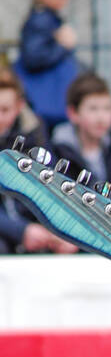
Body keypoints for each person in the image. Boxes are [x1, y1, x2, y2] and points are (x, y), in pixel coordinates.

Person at [0, 69, 77, 255]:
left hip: (35, 229)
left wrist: (61, 230)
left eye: (5, 110)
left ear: (19, 106)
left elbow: (50, 187)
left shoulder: (36, 136)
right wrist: (20, 231)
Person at [50, 71, 111, 204]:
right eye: (93, 109)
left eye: (107, 108)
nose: (101, 118)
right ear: (73, 113)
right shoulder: (57, 152)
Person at [14, 0, 80, 136]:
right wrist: (64, 46)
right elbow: (33, 58)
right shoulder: (41, 19)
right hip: (45, 108)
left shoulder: (50, 17)